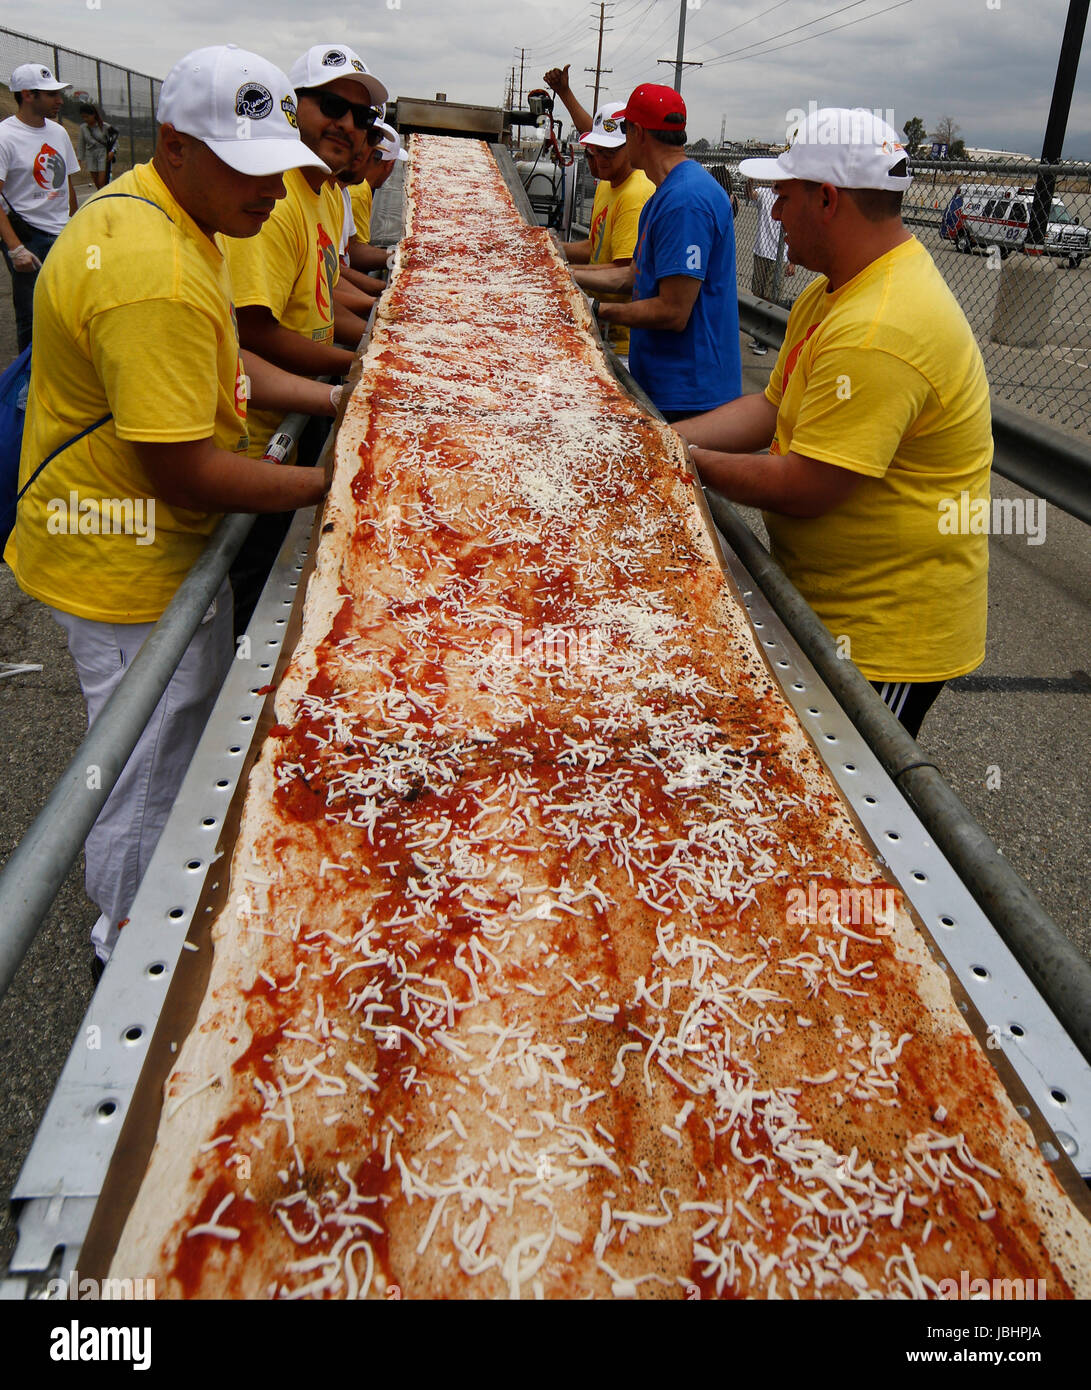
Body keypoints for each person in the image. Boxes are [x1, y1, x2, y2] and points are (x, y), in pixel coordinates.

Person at [3, 45, 338, 969]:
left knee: (179, 734)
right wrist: (334, 483)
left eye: (274, 168)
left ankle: (152, 913)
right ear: (179, 145)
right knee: (142, 764)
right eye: (245, 168)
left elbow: (226, 367)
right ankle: (125, 942)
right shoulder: (151, 267)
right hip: (124, 557)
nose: (269, 193)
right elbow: (183, 471)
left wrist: (340, 403)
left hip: (143, 539)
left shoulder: (172, 218)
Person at [675, 108, 992, 736]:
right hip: (824, 602)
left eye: (783, 196)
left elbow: (810, 487)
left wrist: (685, 466)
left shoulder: (880, 327)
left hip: (881, 635)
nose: (772, 214)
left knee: (861, 790)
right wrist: (662, 437)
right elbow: (772, 407)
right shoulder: (834, 291)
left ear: (826, 198)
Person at [224, 42, 388, 632]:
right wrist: (358, 368)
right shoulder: (279, 196)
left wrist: (377, 334)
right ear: (293, 108)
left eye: (362, 117)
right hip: (252, 439)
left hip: (289, 422)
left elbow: (320, 297)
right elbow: (255, 330)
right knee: (249, 591)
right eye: (332, 107)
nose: (348, 126)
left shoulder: (319, 192)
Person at [569, 84, 741, 421]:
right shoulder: (664, 195)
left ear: (637, 132)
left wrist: (594, 309)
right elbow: (634, 274)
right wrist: (564, 275)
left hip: (689, 396)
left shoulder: (686, 201)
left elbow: (673, 311)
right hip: (665, 385)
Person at [557, 101, 653, 361]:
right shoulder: (607, 183)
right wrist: (553, 248)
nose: (599, 160)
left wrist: (562, 272)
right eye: (594, 152)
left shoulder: (635, 194)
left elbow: (622, 272)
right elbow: (595, 247)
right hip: (602, 329)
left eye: (608, 153)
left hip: (622, 343)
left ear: (631, 146)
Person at [0, 63, 79, 350]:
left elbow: (66, 184)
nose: (59, 99)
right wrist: (15, 248)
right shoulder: (5, 136)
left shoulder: (58, 133)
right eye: (51, 94)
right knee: (31, 317)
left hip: (62, 234)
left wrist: (74, 224)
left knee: (68, 310)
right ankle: (28, 387)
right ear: (27, 95)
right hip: (28, 238)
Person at [745, 178, 795, 355]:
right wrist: (750, 180)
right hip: (761, 251)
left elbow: (793, 229)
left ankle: (765, 339)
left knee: (771, 297)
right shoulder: (764, 193)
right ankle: (758, 335)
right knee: (757, 293)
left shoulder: (787, 199)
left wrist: (792, 261)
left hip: (778, 256)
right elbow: (750, 194)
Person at [77, 104, 117, 189]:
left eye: (87, 117)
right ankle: (102, 198)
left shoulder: (105, 126)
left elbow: (115, 140)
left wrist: (113, 151)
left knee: (101, 181)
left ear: (93, 115)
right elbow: (81, 144)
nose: (85, 119)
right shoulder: (83, 128)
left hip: (102, 155)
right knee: (97, 184)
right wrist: (79, 159)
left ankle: (104, 197)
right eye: (83, 117)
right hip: (90, 155)